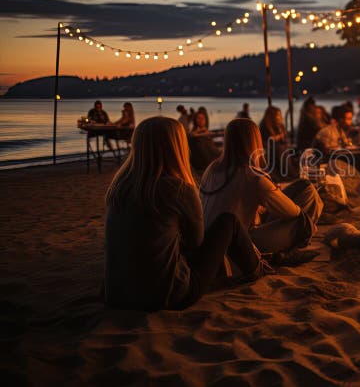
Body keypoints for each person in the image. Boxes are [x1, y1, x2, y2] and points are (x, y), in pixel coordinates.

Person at [104, 117, 271, 311]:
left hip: (116, 295)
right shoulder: (178, 190)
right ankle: (257, 269)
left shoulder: (119, 188)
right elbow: (196, 242)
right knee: (229, 222)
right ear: (177, 147)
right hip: (168, 295)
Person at [200, 119, 322, 264]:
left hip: (209, 243)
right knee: (302, 216)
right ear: (255, 142)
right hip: (241, 246)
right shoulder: (252, 176)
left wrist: (270, 195)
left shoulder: (212, 168)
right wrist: (306, 221)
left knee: (305, 187)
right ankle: (287, 251)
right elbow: (292, 212)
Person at [259, 106, 295, 179]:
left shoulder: (279, 125)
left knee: (286, 148)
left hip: (278, 146)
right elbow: (268, 139)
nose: (279, 117)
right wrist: (279, 136)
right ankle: (285, 173)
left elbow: (285, 136)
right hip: (268, 148)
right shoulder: (265, 125)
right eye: (277, 115)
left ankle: (288, 171)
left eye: (279, 115)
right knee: (281, 149)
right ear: (272, 116)